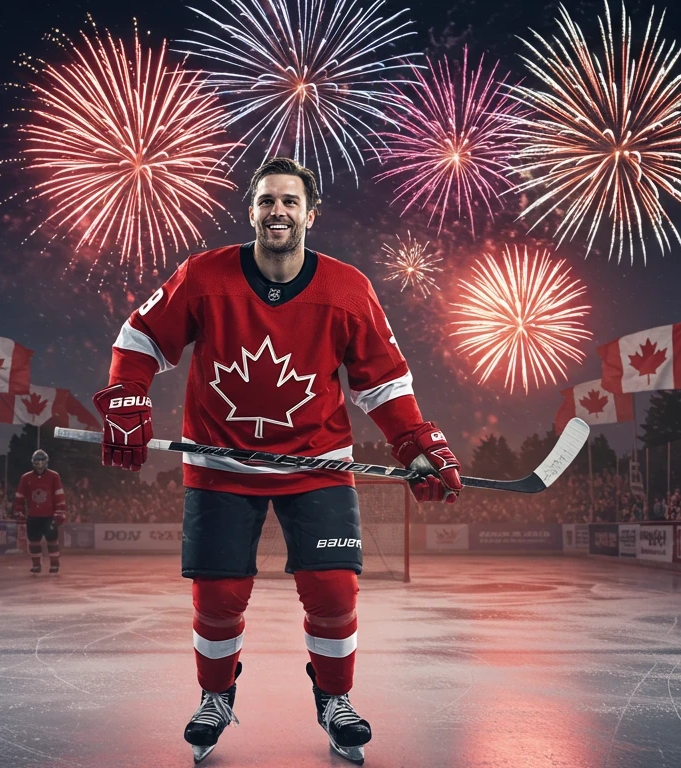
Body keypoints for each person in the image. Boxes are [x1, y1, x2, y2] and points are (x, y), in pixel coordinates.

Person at [95, 157, 461, 766]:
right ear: (252, 212)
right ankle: (216, 696)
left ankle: (335, 698)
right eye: (267, 201)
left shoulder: (348, 288)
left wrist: (413, 441)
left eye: (290, 202)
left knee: (333, 591)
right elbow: (139, 339)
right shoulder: (204, 277)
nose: (278, 212)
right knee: (217, 597)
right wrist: (128, 395)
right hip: (220, 467)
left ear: (310, 215)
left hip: (316, 466)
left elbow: (384, 382)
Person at [13, 449, 67, 574]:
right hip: (33, 515)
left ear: (46, 462)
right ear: (33, 462)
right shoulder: (25, 478)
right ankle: (36, 565)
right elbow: (19, 496)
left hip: (49, 515)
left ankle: (54, 564)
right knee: (33, 541)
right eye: (36, 461)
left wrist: (60, 511)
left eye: (41, 461)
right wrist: (18, 511)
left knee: (52, 541)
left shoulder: (54, 476)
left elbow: (59, 494)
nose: (39, 464)